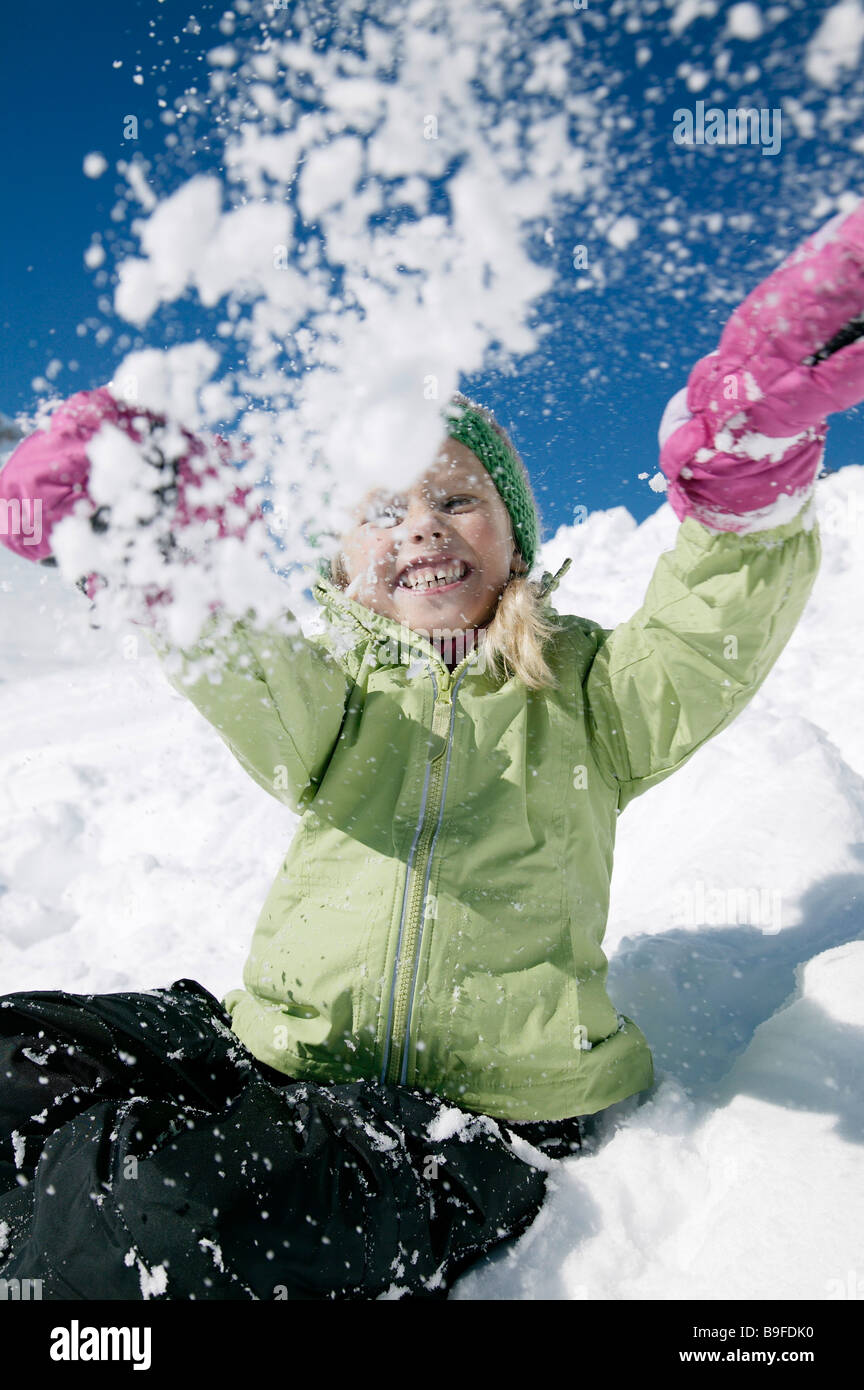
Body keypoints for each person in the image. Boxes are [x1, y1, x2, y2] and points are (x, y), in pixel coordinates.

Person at [2, 201, 864, 1300]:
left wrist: (749, 481)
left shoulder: (595, 694)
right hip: (269, 1053)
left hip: (467, 1123)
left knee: (167, 1211)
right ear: (346, 564)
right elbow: (242, 665)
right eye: (384, 509)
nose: (420, 523)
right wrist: (151, 543)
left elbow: (706, 632)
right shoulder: (336, 695)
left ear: (513, 538)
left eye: (458, 496)